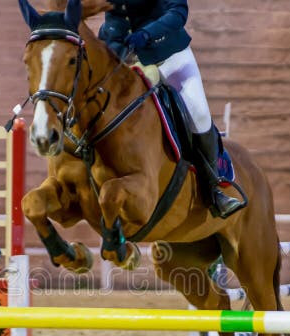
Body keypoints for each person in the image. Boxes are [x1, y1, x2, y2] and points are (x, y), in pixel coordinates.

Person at [98, 0, 243, 218]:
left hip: (167, 52)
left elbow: (178, 11)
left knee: (199, 114)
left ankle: (212, 188)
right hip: (123, 53)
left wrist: (147, 33)